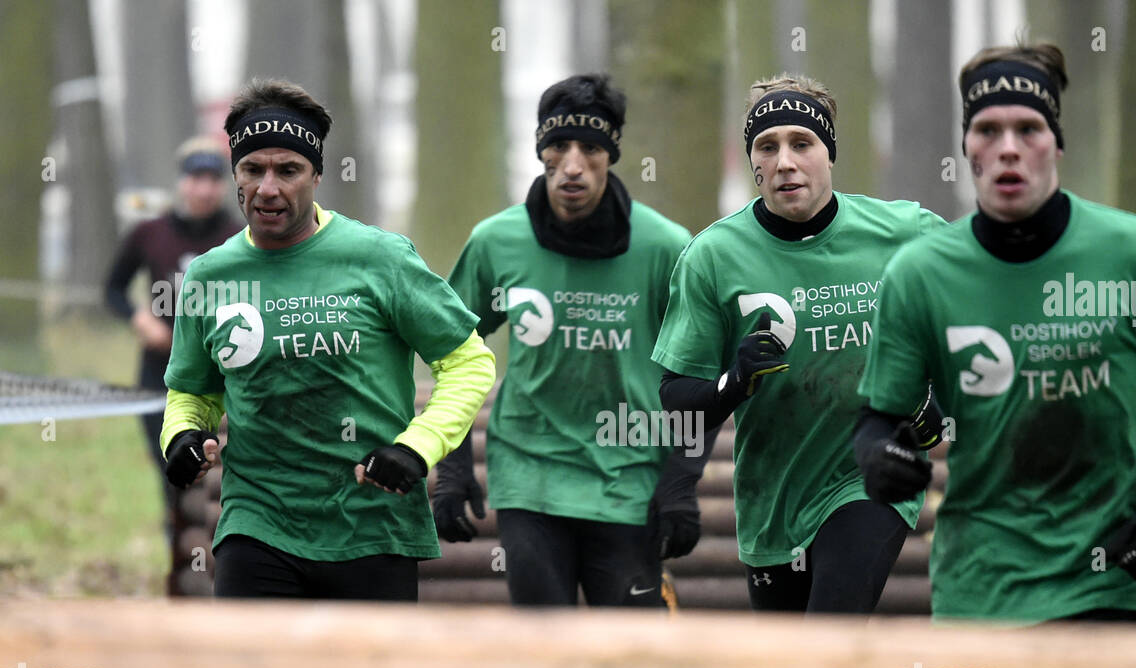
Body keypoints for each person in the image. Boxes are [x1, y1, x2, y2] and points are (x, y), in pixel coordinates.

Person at [855, 42, 1136, 624]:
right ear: (967, 148)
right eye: (988, 130)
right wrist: (877, 456)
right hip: (982, 579)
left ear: (1057, 144)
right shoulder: (918, 275)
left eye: (1029, 128)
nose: (1008, 150)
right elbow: (878, 418)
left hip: (1106, 571)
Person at [160, 78, 495, 600]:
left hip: (372, 524)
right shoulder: (210, 275)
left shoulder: (380, 258)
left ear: (316, 174)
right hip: (258, 523)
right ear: (235, 175)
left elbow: (469, 363)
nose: (268, 188)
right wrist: (179, 435)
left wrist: (417, 448)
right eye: (253, 169)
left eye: (288, 170)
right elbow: (193, 391)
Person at [653, 73, 947, 614]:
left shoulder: (906, 232)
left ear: (829, 154)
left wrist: (938, 398)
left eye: (802, 143)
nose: (786, 161)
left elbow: (975, 314)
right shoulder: (712, 257)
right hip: (774, 499)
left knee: (829, 632)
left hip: (869, 478)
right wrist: (733, 381)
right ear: (754, 164)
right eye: (768, 146)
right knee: (792, 664)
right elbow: (677, 398)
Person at [439, 73, 709, 607]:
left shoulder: (666, 247)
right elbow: (451, 345)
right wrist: (452, 464)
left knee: (633, 661)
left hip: (629, 480)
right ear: (540, 151)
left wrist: (680, 484)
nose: (572, 165)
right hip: (529, 473)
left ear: (611, 155)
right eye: (558, 146)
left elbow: (695, 371)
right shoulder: (497, 242)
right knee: (545, 650)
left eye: (590, 148)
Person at [104, 138, 241, 565]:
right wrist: (139, 320)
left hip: (224, 376)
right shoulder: (149, 233)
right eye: (196, 178)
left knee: (220, 470)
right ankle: (182, 562)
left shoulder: (239, 235)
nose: (204, 189)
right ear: (182, 182)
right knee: (175, 468)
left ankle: (227, 558)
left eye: (213, 180)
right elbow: (112, 290)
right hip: (158, 375)